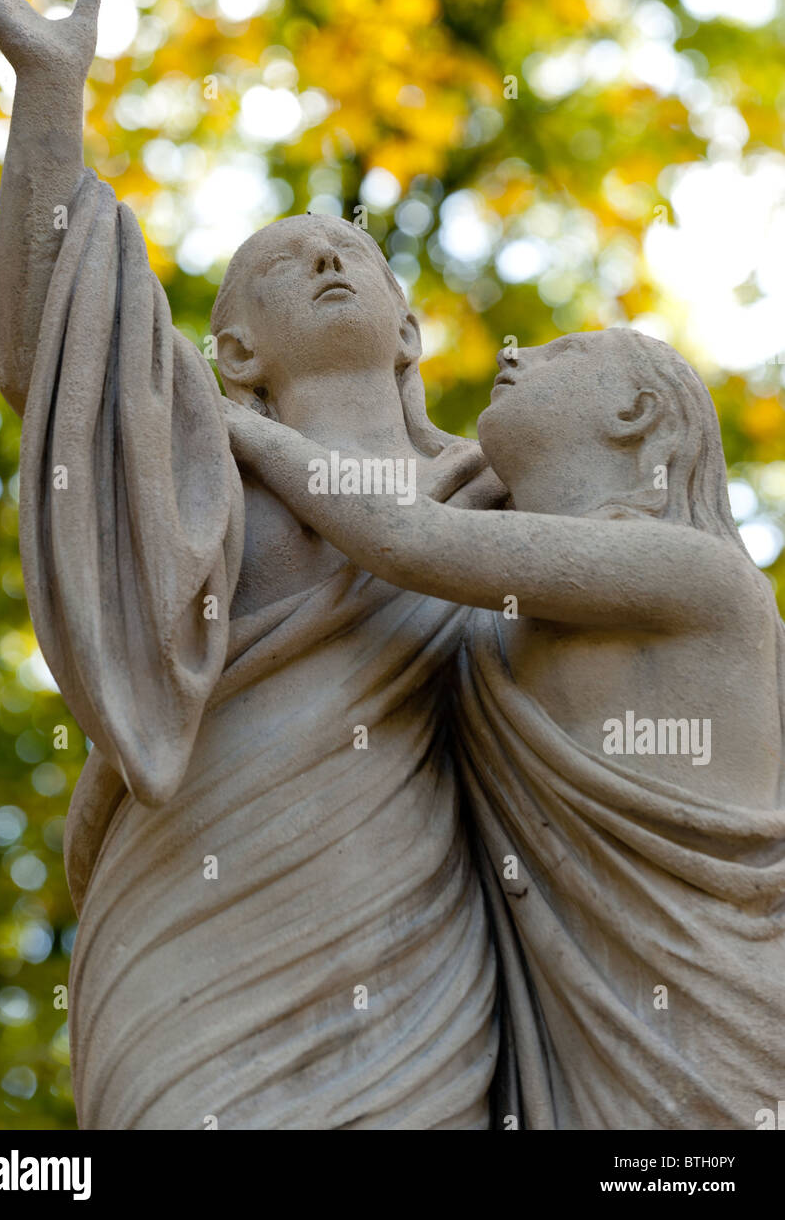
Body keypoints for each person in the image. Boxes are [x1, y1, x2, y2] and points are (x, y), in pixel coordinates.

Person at [0, 0, 501, 1129]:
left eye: (348, 251)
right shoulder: (197, 461)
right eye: (279, 261)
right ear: (235, 347)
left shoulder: (490, 494)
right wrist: (50, 91)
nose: (322, 259)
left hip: (411, 945)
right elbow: (46, 348)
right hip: (190, 930)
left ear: (408, 329)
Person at [223, 327, 785, 1128]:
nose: (511, 356)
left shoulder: (695, 573)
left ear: (634, 411)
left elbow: (404, 538)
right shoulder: (490, 627)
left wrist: (243, 428)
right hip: (572, 1031)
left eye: (563, 356)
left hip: (705, 1022)